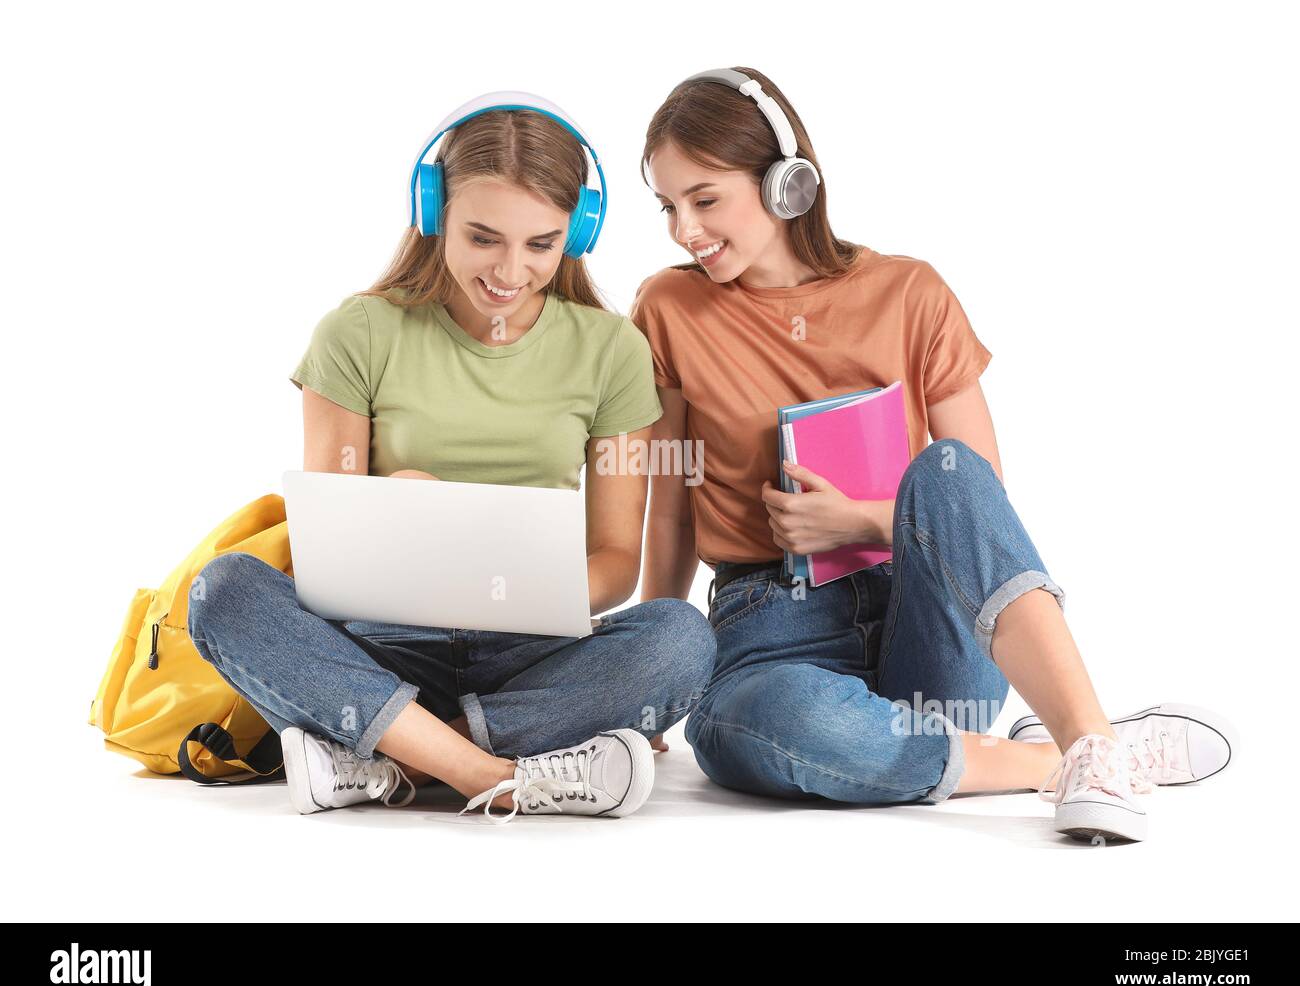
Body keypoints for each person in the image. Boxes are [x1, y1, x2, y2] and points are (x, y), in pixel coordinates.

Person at [630, 68, 1235, 842]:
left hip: (927, 615)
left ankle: (1083, 740)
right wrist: (655, 668)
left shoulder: (910, 293)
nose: (685, 229)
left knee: (945, 470)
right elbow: (673, 498)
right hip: (767, 624)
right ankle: (1068, 755)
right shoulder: (669, 307)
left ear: (785, 184)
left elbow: (978, 501)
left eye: (704, 199)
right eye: (668, 207)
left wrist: (851, 519)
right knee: (777, 723)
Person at [187, 93, 715, 824]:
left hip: (529, 655)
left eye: (540, 243)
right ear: (434, 213)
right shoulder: (359, 333)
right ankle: (488, 769)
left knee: (680, 637)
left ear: (579, 231)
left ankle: (383, 758)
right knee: (224, 591)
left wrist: (521, 587)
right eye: (483, 237)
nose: (511, 269)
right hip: (380, 649)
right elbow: (324, 554)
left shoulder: (612, 351)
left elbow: (618, 560)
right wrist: (391, 509)